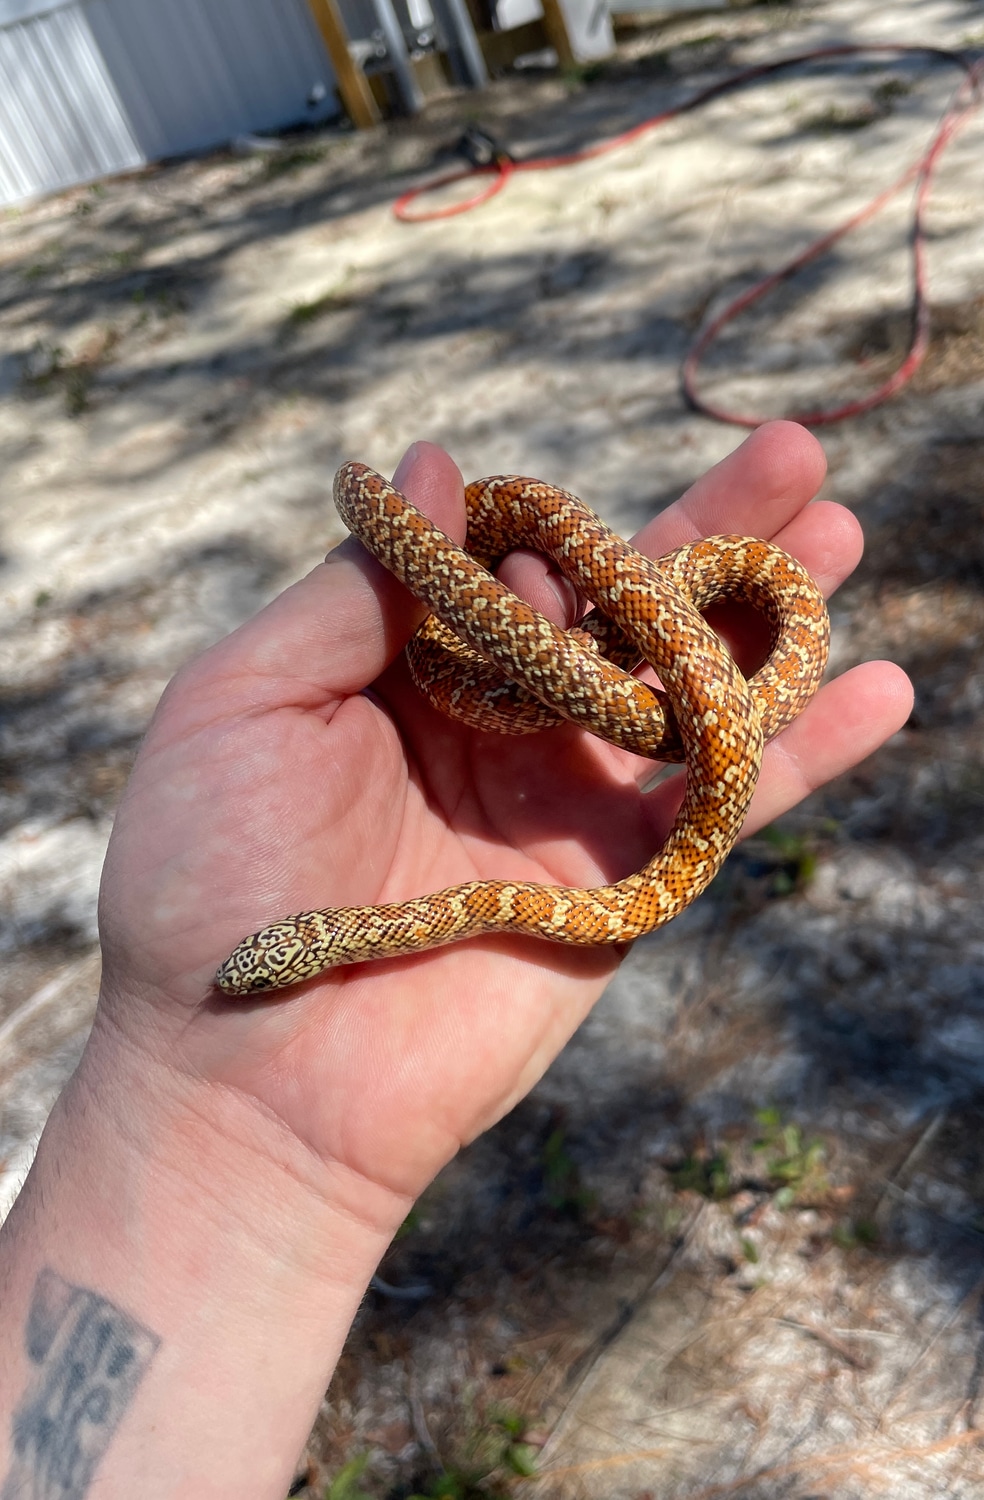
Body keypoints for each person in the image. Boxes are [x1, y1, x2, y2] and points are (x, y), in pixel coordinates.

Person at [0, 425, 912, 1498]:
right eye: (271, 962)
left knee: (536, 641)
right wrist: (209, 1116)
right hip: (638, 670)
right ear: (304, 950)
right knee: (474, 650)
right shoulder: (485, 713)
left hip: (660, 664)